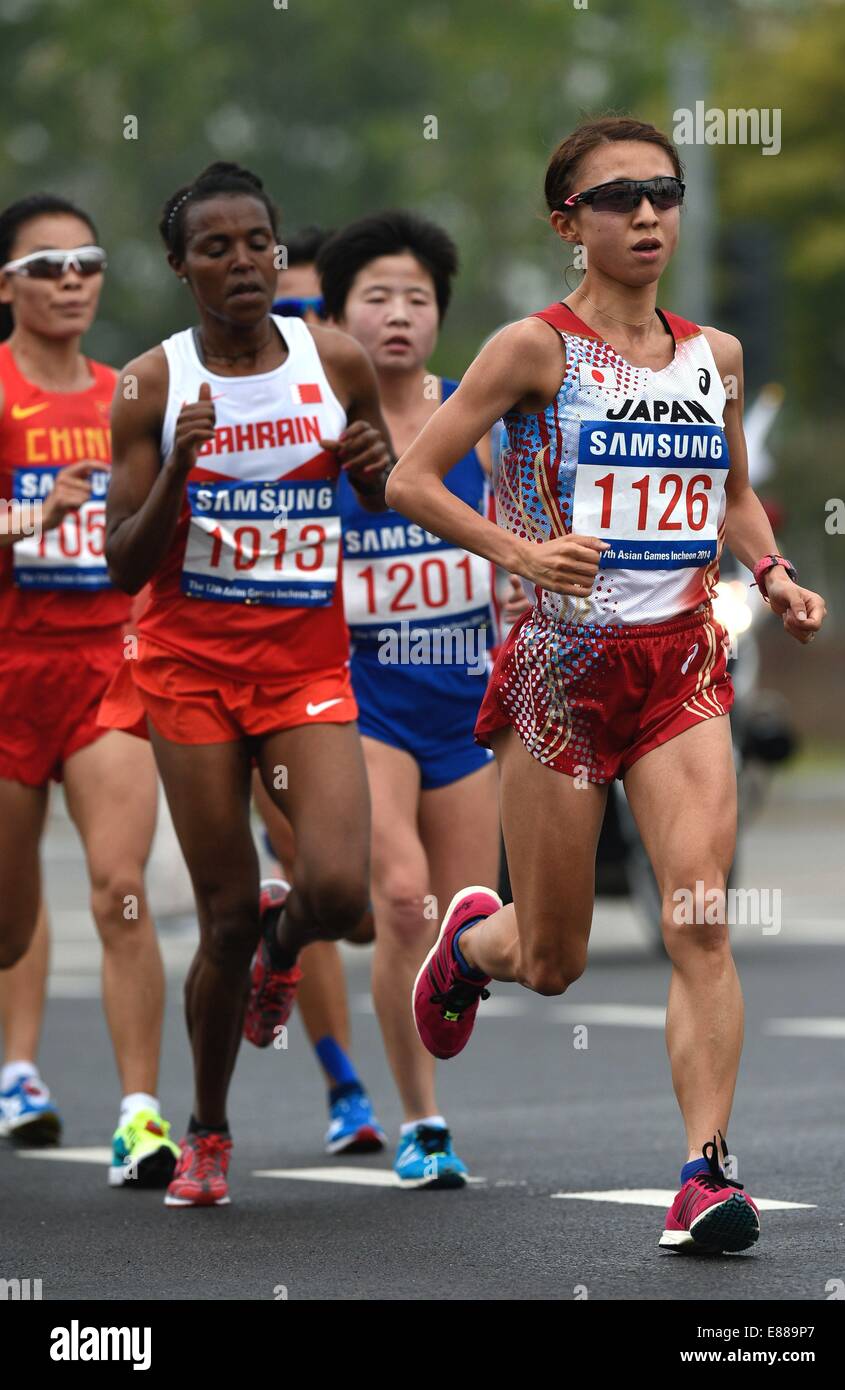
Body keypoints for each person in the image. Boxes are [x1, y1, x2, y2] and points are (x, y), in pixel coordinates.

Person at [387, 116, 826, 1252]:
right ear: (566, 223)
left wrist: (772, 574)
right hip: (559, 671)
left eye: (663, 193)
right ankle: (473, 945)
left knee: (699, 920)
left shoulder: (715, 355)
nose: (645, 214)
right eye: (617, 197)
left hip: (680, 665)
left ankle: (705, 1175)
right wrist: (522, 554)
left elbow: (731, 494)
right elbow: (412, 480)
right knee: (554, 960)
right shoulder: (531, 349)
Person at [99, 162, 394, 1208]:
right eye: (215, 248)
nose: (243, 263)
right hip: (189, 672)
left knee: (340, 893)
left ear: (277, 251)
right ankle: (209, 1129)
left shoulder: (336, 358)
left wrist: (371, 467)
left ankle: (285, 946)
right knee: (223, 917)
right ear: (179, 266)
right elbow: (122, 565)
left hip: (304, 665)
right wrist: (179, 470)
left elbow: (378, 488)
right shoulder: (150, 385)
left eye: (257, 243)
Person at [317, 210, 503, 1187]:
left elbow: (536, 528)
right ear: (337, 314)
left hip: (466, 705)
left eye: (417, 299)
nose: (397, 315)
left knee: (459, 929)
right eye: (376, 298)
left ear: (440, 313)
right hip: (364, 701)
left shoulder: (481, 416)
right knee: (399, 898)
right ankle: (421, 1122)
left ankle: (430, 1055)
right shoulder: (315, 428)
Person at [0, 195, 176, 1187]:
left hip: (107, 667)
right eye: (46, 265)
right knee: (9, 915)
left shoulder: (128, 394)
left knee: (120, 887)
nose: (71, 280)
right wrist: (30, 516)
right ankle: (16, 1068)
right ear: (7, 286)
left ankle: (138, 1115)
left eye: (87, 261)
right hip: (8, 668)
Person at [250, 222, 385, 1156]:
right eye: (284, 308)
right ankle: (345, 1087)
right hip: (287, 679)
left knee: (378, 909)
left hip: (402, 685)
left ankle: (282, 935)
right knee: (320, 876)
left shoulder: (392, 411)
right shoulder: (245, 423)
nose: (301, 326)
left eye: (317, 310)